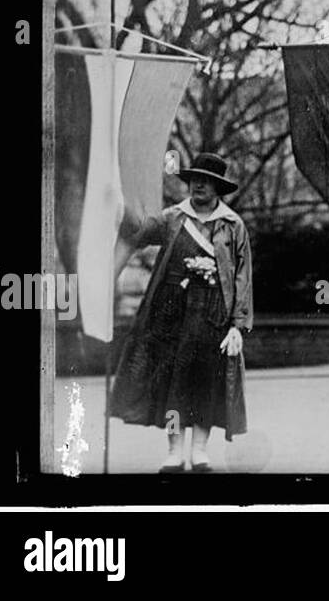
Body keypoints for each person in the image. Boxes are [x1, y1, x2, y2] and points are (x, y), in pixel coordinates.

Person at [110, 152, 252, 473]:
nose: (199, 185)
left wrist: (238, 326)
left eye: (207, 181)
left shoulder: (233, 226)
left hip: (214, 314)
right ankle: (174, 452)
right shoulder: (172, 218)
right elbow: (138, 233)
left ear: (218, 187)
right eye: (195, 180)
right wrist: (120, 208)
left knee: (204, 383)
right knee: (173, 384)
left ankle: (200, 451)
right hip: (172, 314)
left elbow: (243, 277)